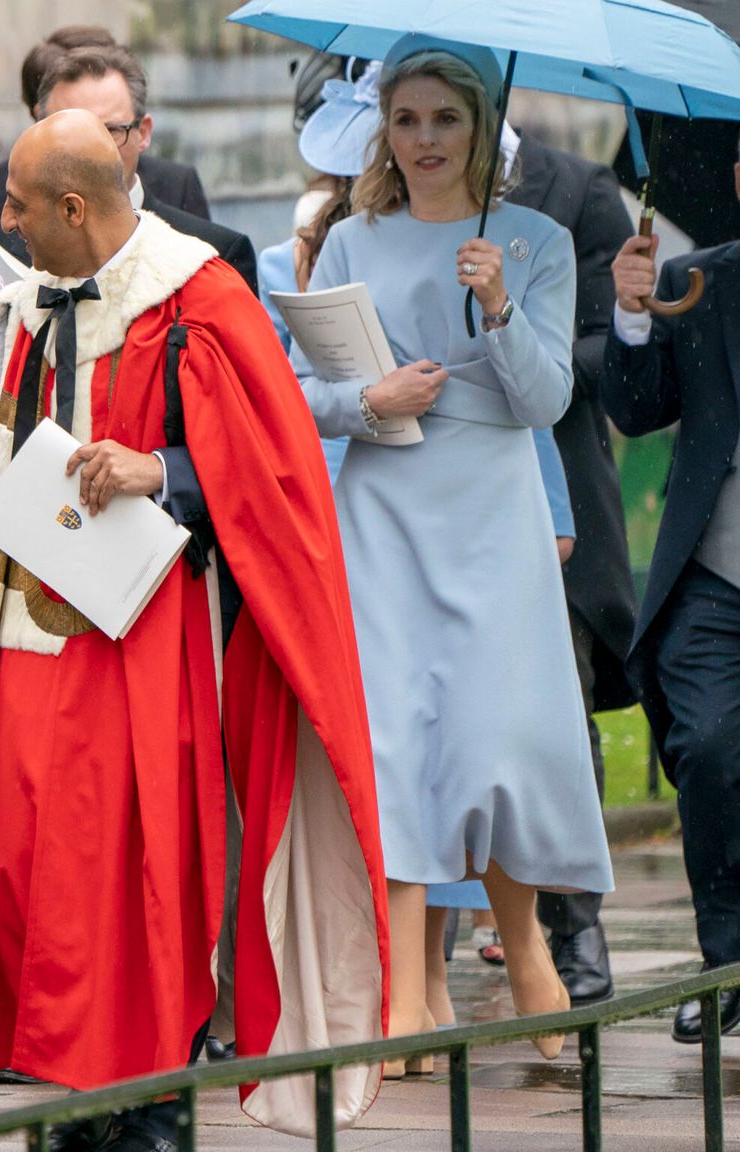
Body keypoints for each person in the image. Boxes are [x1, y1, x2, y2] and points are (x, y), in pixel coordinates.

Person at [0, 110, 388, 1147]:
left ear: (74, 207)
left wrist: (159, 468)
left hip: (151, 631)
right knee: (28, 861)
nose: (4, 222)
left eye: (19, 207)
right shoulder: (32, 300)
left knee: (135, 864)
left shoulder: (198, 298)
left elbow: (272, 466)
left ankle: (153, 1097)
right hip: (29, 621)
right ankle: (74, 1087)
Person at [292, 35, 613, 1071]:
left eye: (445, 118)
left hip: (492, 506)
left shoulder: (534, 239)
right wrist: (369, 398)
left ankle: (527, 945)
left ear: (480, 128)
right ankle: (401, 993)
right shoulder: (351, 240)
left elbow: (547, 400)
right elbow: (300, 391)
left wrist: (499, 305)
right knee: (396, 744)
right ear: (381, 131)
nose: (424, 139)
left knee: (490, 737)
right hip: (384, 503)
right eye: (405, 120)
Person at [0, 40, 258, 562]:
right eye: (64, 130)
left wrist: (160, 468)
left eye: (107, 131)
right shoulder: (2, 238)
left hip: (155, 550)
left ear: (142, 132)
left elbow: (251, 439)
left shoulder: (206, 261)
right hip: (22, 531)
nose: (85, 152)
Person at [602, 127, 740, 1044]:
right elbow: (637, 406)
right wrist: (632, 314)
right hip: (714, 576)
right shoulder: (698, 281)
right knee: (711, 749)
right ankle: (726, 963)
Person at [505, 129, 639, 1007]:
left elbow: (608, 352)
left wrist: (512, 353)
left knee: (557, 711)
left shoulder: (578, 190)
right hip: (429, 484)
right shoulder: (386, 186)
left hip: (552, 489)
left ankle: (574, 923)